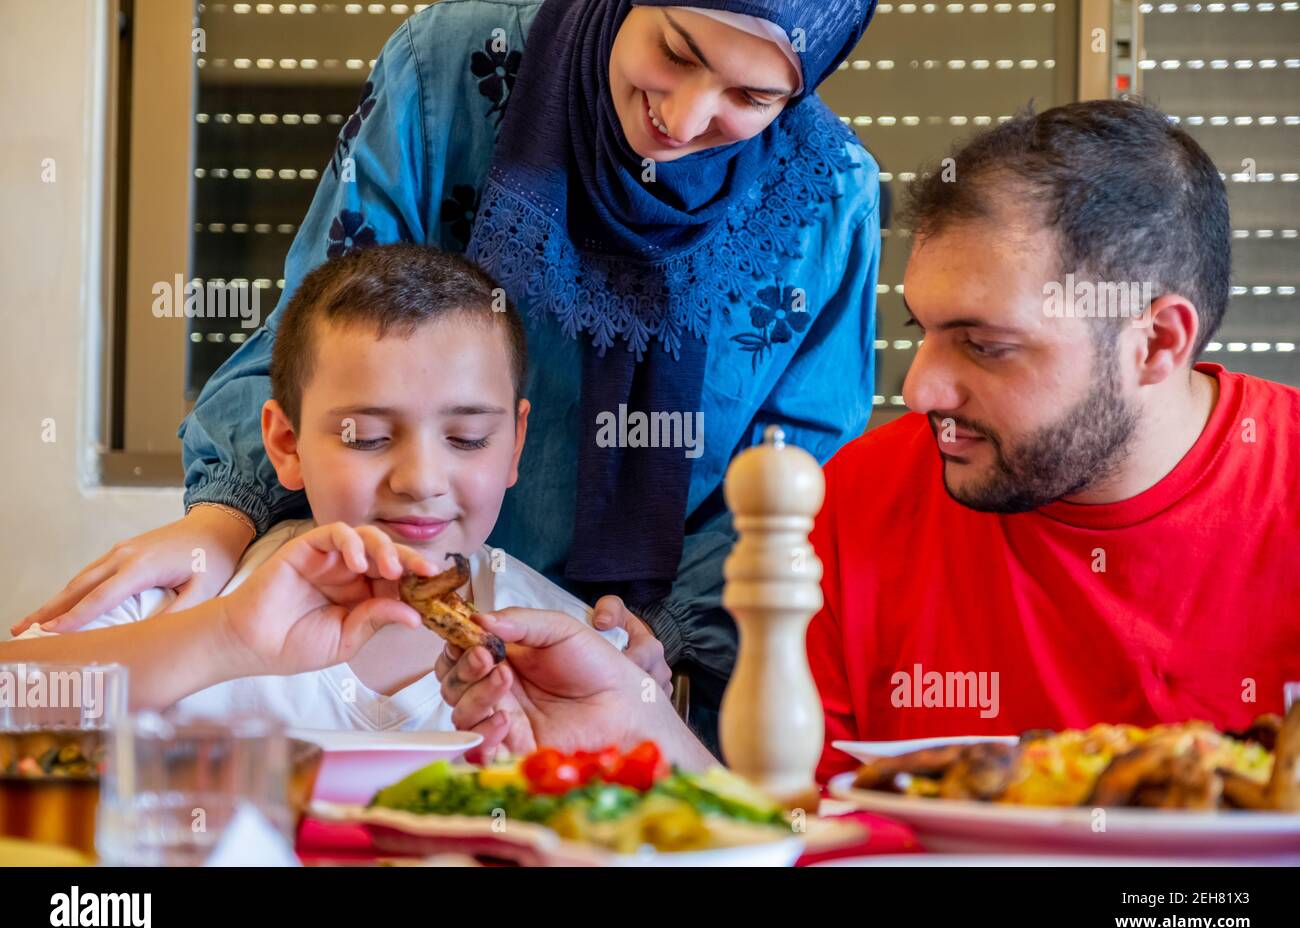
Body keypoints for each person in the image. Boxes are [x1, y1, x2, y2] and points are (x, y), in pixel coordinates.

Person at [14, 1, 884, 753]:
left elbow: (792, 485)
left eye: (752, 96)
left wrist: (638, 672)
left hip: (587, 652)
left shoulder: (830, 193)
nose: (687, 118)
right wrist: (221, 537)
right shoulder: (453, 71)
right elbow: (328, 324)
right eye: (679, 51)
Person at [426, 101, 1300, 778]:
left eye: (985, 345)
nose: (919, 389)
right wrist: (637, 724)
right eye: (921, 330)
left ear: (1155, 343)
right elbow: (797, 833)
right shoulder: (858, 497)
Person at [7, 245, 650, 729]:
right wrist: (225, 637)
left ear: (514, 444)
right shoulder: (187, 602)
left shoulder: (571, 652)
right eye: (367, 437)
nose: (421, 480)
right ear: (286, 443)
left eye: (467, 439)